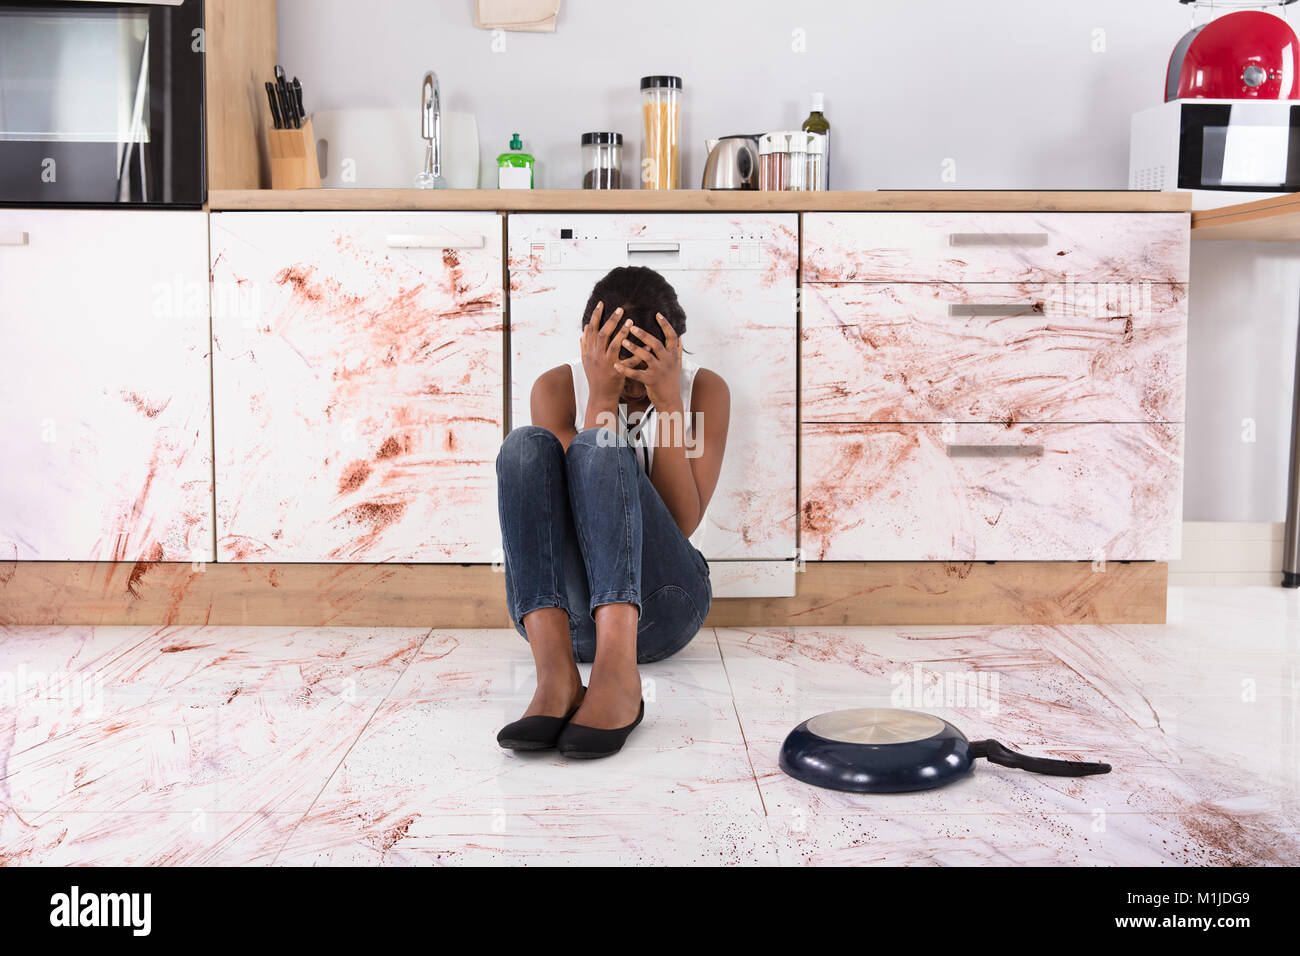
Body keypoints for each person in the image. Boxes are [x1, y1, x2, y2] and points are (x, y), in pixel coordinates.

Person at [494, 266, 730, 758]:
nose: (632, 394)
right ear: (590, 349)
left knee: (599, 445)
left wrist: (667, 401)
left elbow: (682, 522)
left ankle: (619, 680)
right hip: (571, 621)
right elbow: (577, 524)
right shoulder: (556, 389)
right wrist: (599, 396)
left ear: (676, 350)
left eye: (643, 380)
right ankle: (556, 680)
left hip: (666, 607)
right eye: (623, 381)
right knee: (523, 448)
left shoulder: (705, 390)